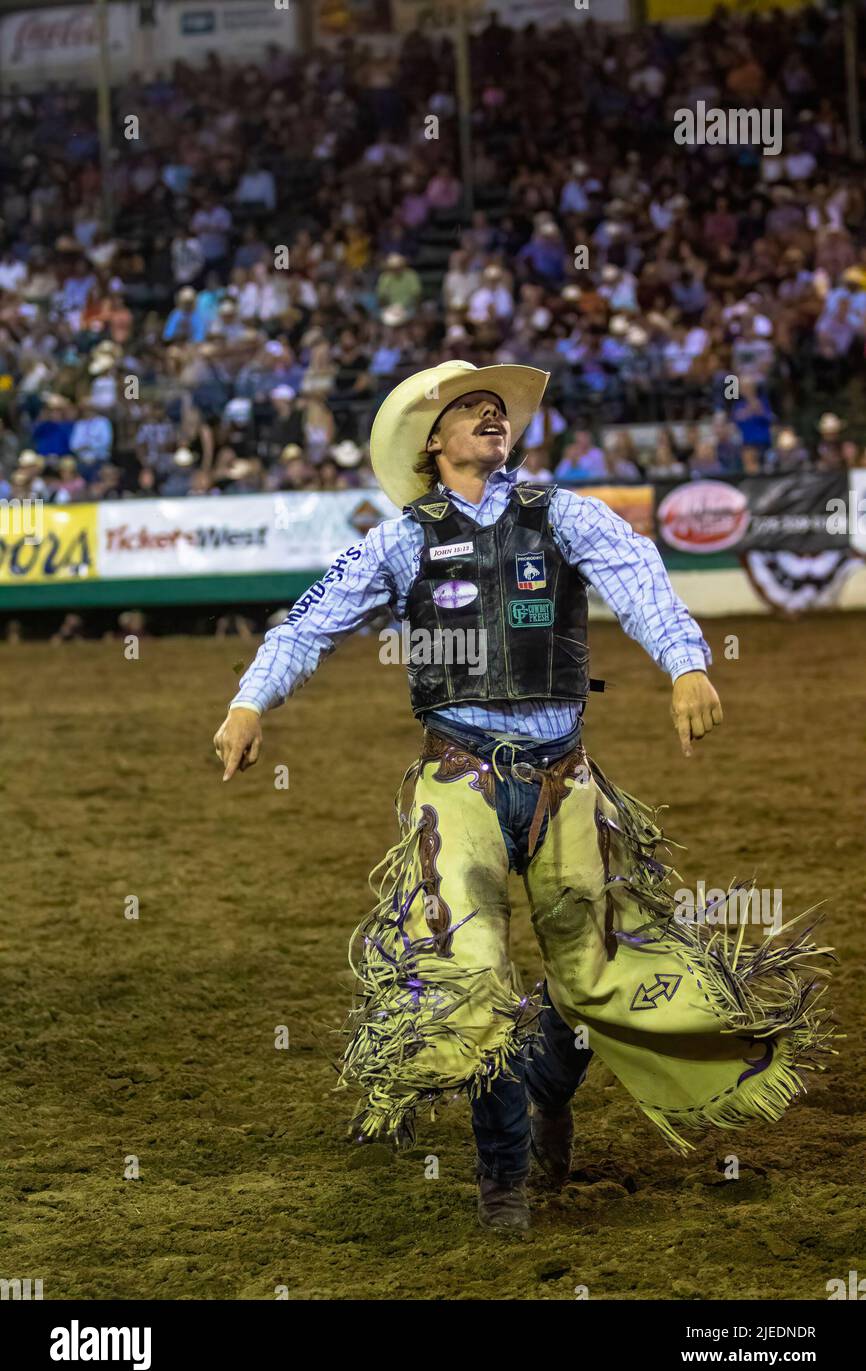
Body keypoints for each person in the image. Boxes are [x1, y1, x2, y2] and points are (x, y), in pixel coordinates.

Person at [213, 363, 834, 1232]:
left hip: (562, 778)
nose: (490, 416)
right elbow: (309, 622)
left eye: (496, 408)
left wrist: (687, 662)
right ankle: (502, 1176)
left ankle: (547, 1085)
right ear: (433, 442)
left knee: (592, 980)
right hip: (456, 782)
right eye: (471, 408)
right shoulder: (399, 540)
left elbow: (638, 574)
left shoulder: (562, 514)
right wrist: (251, 701)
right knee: (472, 978)